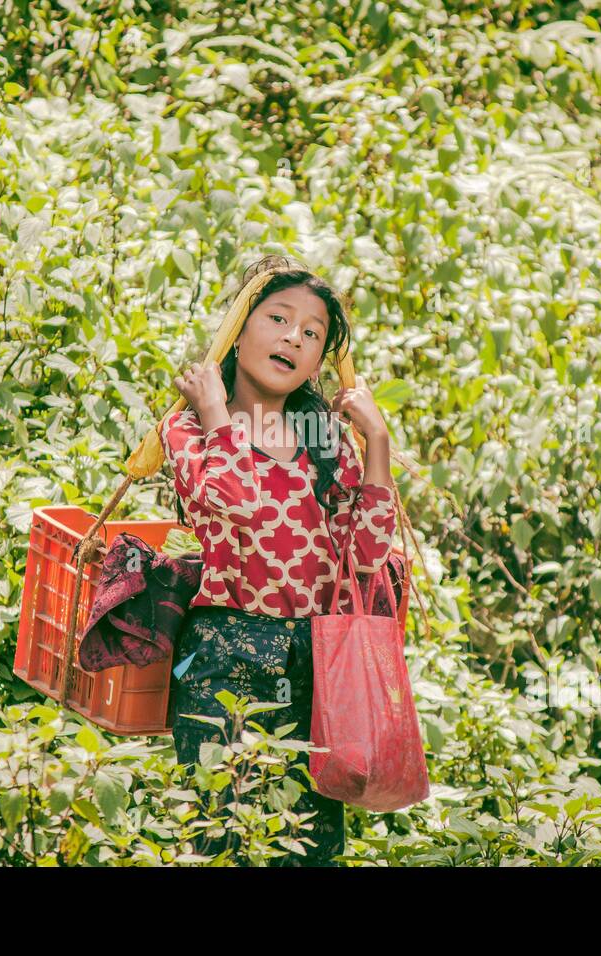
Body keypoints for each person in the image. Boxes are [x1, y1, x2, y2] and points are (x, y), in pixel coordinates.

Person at [160, 255, 398, 866]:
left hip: (314, 661)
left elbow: (366, 553)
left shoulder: (323, 438)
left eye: (312, 332)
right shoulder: (188, 427)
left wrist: (376, 443)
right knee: (220, 838)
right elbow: (233, 500)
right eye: (278, 319)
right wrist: (217, 414)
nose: (293, 337)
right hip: (223, 655)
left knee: (306, 849)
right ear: (239, 331)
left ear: (319, 361)